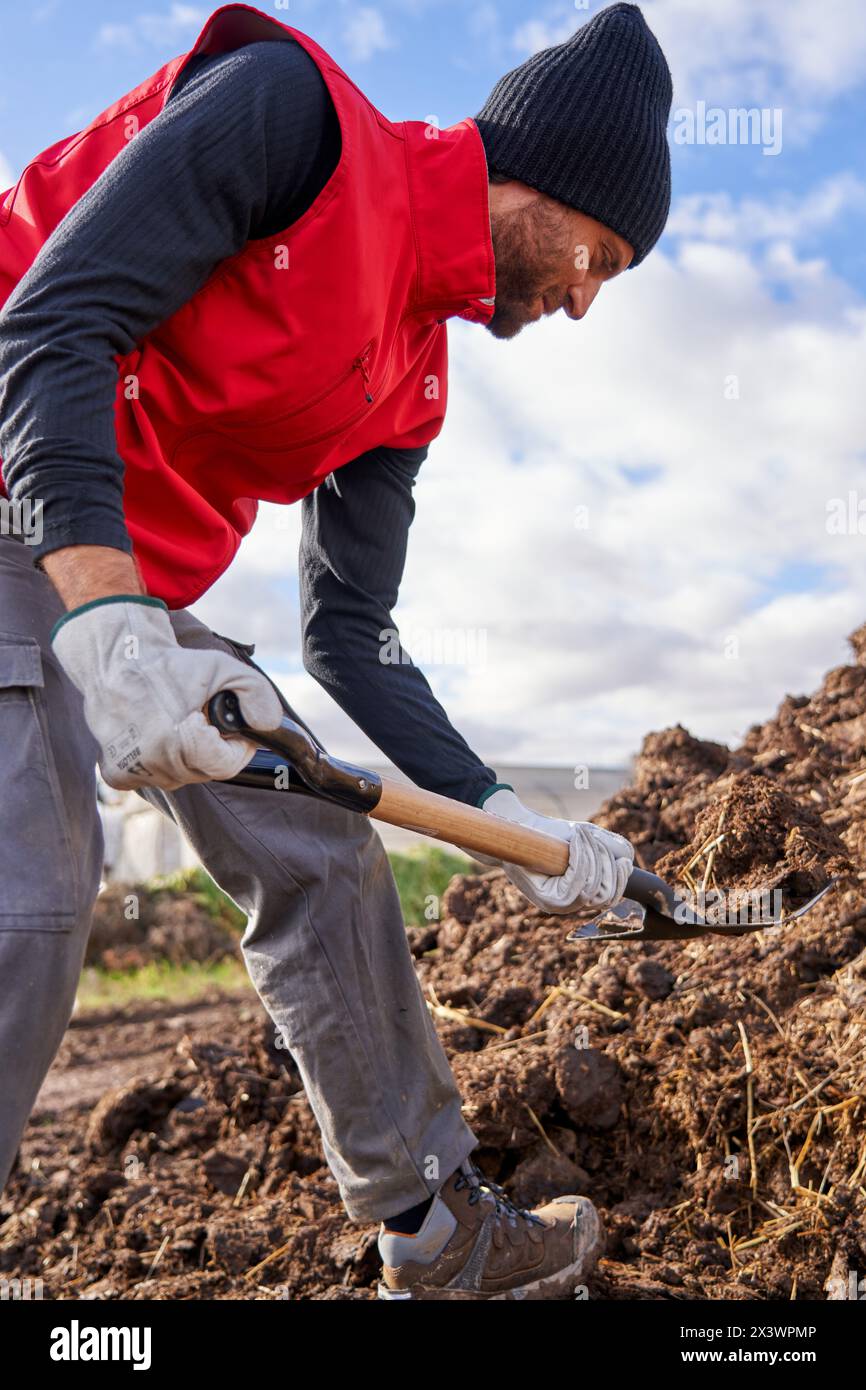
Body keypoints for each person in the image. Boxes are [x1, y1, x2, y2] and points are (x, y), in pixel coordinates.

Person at [0, 2, 671, 1298]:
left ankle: (432, 1228)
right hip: (23, 494)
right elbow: (49, 324)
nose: (586, 297)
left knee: (318, 842)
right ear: (541, 181)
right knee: (33, 880)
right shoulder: (294, 118)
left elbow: (350, 639)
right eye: (601, 252)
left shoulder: (408, 377)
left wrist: (506, 817)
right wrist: (105, 626)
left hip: (128, 585)